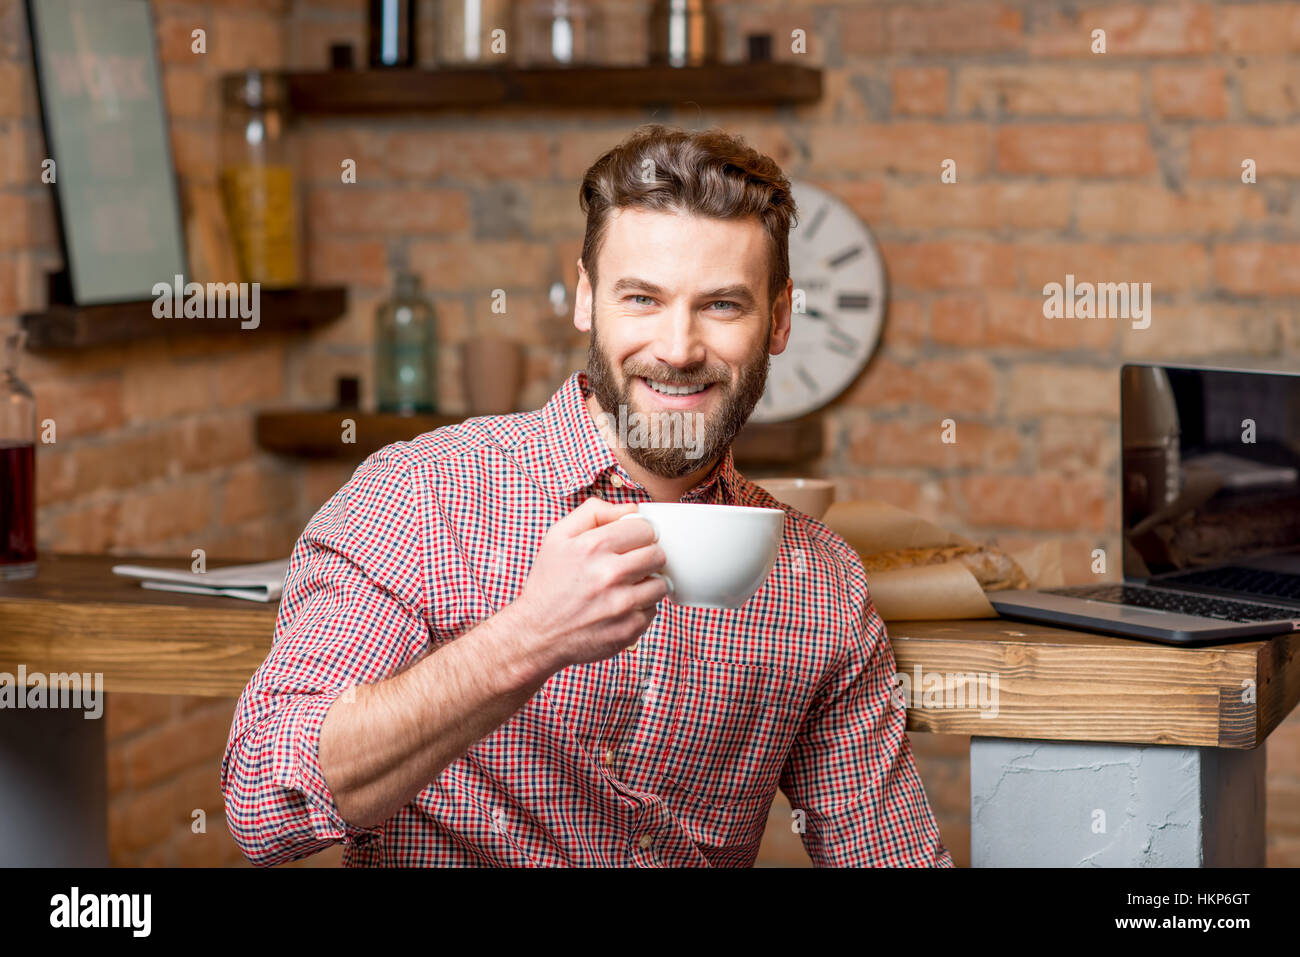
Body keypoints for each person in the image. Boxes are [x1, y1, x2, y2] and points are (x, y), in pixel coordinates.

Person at [221, 124, 953, 867]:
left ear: (781, 318)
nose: (676, 347)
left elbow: (888, 853)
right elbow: (261, 800)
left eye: (723, 306)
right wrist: (527, 638)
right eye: (642, 297)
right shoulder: (422, 495)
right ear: (586, 300)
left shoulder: (819, 582)